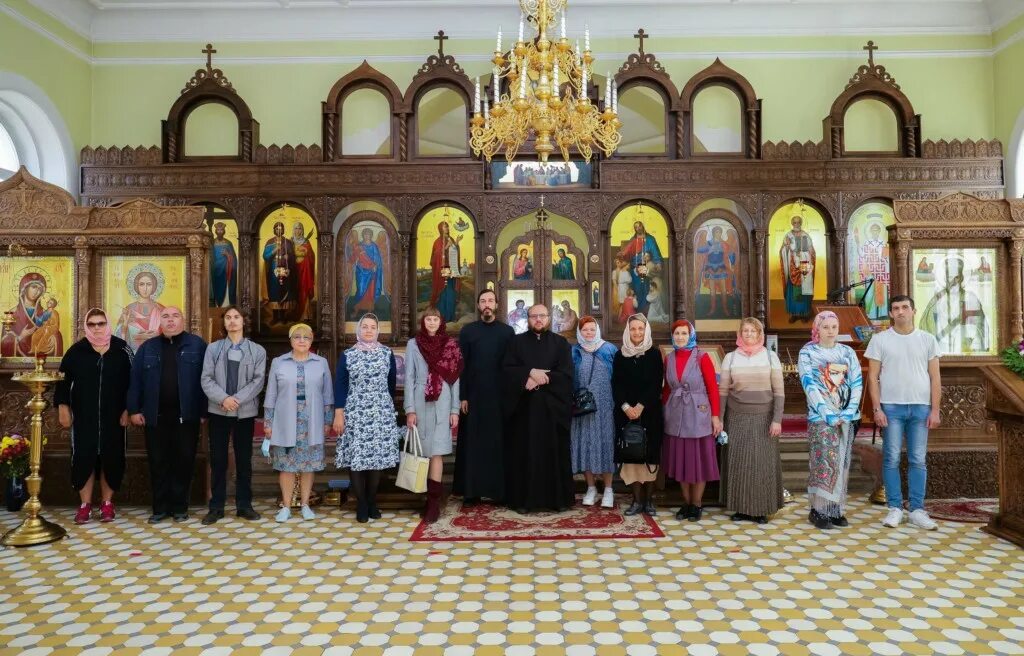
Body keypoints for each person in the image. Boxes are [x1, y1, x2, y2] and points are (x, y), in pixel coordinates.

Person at [865, 295, 942, 530]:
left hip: (920, 406)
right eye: (896, 308)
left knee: (918, 459)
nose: (900, 312)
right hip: (891, 407)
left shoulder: (927, 340)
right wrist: (877, 408)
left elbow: (935, 376)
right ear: (890, 313)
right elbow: (872, 377)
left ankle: (917, 509)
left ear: (913, 311)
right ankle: (895, 508)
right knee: (891, 458)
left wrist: (935, 409)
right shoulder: (880, 340)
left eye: (905, 307)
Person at [127, 306, 207, 523]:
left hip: (187, 417)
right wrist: (134, 410)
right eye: (165, 316)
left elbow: (206, 380)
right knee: (158, 462)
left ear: (183, 320)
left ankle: (180, 507)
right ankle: (160, 508)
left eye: (175, 316)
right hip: (155, 417)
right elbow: (135, 381)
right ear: (159, 322)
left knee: (184, 461)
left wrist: (203, 411)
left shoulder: (197, 345)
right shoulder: (148, 348)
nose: (170, 320)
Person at [55, 308, 133, 524]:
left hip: (114, 416)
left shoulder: (122, 349)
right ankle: (85, 505)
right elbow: (63, 381)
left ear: (107, 323)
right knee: (84, 457)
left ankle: (107, 504)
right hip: (84, 416)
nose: (97, 328)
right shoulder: (76, 351)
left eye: (100, 323)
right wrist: (63, 407)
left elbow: (132, 382)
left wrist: (129, 408)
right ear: (86, 326)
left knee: (111, 457)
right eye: (92, 324)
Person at [501, 304, 575, 513]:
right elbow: (507, 370)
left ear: (549, 318)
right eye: (534, 316)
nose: (538, 320)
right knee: (525, 454)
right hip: (525, 411)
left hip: (552, 412)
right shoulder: (516, 343)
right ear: (528, 318)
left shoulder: (561, 344)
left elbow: (567, 374)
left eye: (542, 316)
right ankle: (523, 501)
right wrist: (528, 374)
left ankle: (558, 500)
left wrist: (544, 379)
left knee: (554, 454)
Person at [200, 306, 267, 524]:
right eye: (228, 317)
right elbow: (206, 379)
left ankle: (244, 505)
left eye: (236, 317)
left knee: (243, 460)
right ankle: (216, 506)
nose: (232, 321)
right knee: (218, 459)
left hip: (244, 413)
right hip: (218, 411)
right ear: (224, 322)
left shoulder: (257, 350)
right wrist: (223, 399)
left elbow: (258, 381)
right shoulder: (213, 349)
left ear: (243, 322)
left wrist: (236, 399)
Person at [334, 314, 402, 523]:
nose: (369, 330)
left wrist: (384, 406)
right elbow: (341, 385)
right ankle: (361, 503)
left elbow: (391, 384)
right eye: (365, 327)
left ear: (378, 330)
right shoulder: (348, 355)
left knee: (376, 459)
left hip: (381, 411)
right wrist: (339, 413)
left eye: (373, 327)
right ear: (359, 330)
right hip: (355, 412)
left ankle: (372, 501)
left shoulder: (386, 353)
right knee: (357, 459)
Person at [798, 311, 863, 530]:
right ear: (817, 328)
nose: (830, 331)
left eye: (834, 327)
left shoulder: (847, 352)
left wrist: (849, 411)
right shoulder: (808, 352)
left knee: (842, 463)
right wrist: (827, 413)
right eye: (825, 327)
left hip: (847, 417)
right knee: (823, 462)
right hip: (821, 417)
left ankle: (835, 509)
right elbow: (809, 385)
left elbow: (856, 383)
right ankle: (818, 510)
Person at [263, 323, 332, 522]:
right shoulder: (279, 362)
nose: (302, 340)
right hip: (285, 418)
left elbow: (327, 395)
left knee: (308, 464)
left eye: (306, 337)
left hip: (311, 418)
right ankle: (286, 506)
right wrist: (268, 422)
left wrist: (327, 421)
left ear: (311, 340)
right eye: (297, 337)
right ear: (291, 340)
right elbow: (271, 394)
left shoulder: (321, 363)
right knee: (286, 464)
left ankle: (305, 504)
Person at [719, 317, 784, 524]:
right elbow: (722, 392)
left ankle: (761, 509)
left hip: (764, 418)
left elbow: (779, 392)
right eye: (745, 331)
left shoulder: (770, 357)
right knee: (739, 464)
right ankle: (741, 509)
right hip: (736, 416)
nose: (748, 334)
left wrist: (777, 420)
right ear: (740, 334)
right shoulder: (730, 357)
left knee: (761, 465)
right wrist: (719, 419)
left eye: (752, 331)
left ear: (759, 334)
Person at [453, 289, 515, 505]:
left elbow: (511, 367)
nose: (487, 304)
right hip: (474, 397)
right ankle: (472, 491)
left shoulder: (507, 332)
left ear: (497, 304)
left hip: (499, 397)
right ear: (478, 306)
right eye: (483, 301)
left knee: (499, 443)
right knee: (473, 444)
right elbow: (463, 366)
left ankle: (500, 491)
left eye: (490, 300)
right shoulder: (468, 332)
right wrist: (462, 396)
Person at [405, 308, 463, 523]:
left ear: (441, 322)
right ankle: (422, 497)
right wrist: (410, 409)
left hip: (443, 400)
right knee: (422, 452)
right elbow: (409, 377)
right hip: (420, 400)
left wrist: (454, 410)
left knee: (437, 453)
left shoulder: (450, 345)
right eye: (428, 319)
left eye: (435, 319)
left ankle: (433, 502)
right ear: (423, 322)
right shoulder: (413, 344)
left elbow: (455, 378)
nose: (431, 322)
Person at [662, 320, 721, 522]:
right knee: (681, 461)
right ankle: (686, 503)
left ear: (691, 335)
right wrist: (662, 411)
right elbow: (667, 389)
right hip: (676, 414)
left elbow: (713, 387)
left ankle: (696, 504)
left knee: (698, 461)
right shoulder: (668, 358)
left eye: (684, 333)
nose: (680, 337)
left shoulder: (702, 357)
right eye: (677, 333)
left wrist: (715, 417)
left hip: (698, 414)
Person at [613, 313, 665, 516]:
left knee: (650, 456)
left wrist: (641, 406)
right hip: (625, 414)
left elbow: (655, 383)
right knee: (630, 456)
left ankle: (649, 501)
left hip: (649, 413)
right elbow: (616, 384)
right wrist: (626, 407)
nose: (636, 332)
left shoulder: (653, 355)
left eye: (640, 329)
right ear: (628, 331)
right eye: (633, 329)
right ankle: (636, 500)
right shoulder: (620, 355)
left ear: (646, 330)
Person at [571, 316, 618, 508]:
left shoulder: (609, 349)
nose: (589, 333)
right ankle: (591, 488)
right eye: (585, 330)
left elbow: (618, 377)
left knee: (605, 445)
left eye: (592, 329)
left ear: (597, 330)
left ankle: (608, 489)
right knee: (585, 445)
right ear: (579, 332)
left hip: (606, 407)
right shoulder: (574, 351)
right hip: (582, 408)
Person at [919, 257, 989, 354]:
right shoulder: (938, 298)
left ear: (961, 278)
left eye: (956, 277)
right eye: (949, 278)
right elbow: (926, 323)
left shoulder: (970, 297)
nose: (953, 281)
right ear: (945, 278)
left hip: (964, 345)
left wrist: (975, 342)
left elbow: (981, 325)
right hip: (941, 345)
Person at [1, 272, 65, 358]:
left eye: (40, 289)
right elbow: (4, 344)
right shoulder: (11, 315)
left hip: (41, 359)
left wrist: (53, 339)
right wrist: (20, 337)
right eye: (34, 287)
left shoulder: (45, 313)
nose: (37, 291)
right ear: (24, 288)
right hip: (17, 365)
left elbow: (54, 330)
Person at [616, 221, 663, 315]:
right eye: (636, 227)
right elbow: (627, 252)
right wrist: (623, 255)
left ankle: (644, 310)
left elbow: (655, 252)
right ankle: (636, 310)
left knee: (645, 287)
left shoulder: (650, 239)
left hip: (645, 265)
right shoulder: (633, 240)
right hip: (634, 266)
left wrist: (657, 263)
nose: (638, 228)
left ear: (642, 226)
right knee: (636, 288)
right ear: (635, 229)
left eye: (639, 226)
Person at [114, 270, 164, 352]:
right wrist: (125, 324)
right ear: (136, 286)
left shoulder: (161, 309)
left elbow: (169, 334)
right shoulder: (128, 309)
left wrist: (156, 336)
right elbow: (119, 336)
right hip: (135, 353)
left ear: (154, 286)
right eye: (141, 284)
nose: (145, 288)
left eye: (149, 284)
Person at [779, 215, 816, 322]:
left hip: (804, 264)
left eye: (798, 222)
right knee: (794, 291)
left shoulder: (806, 235)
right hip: (792, 267)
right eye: (794, 223)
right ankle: (794, 314)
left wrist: (805, 253)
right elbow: (782, 251)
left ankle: (804, 313)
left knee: (804, 289)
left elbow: (812, 252)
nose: (796, 224)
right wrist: (787, 248)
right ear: (792, 223)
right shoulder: (788, 235)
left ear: (801, 223)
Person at [346, 226, 388, 320]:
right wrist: (354, 260)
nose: (367, 235)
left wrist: (375, 266)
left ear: (371, 235)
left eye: (368, 234)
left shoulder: (374, 246)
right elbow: (353, 257)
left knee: (370, 290)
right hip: (361, 271)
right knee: (361, 289)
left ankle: (370, 309)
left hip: (371, 271)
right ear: (363, 235)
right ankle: (358, 308)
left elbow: (377, 259)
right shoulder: (359, 246)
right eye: (365, 234)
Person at [262, 220, 296, 325]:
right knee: (275, 292)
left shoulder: (288, 242)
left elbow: (293, 257)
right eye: (277, 228)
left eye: (281, 228)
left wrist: (288, 257)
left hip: (285, 270)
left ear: (283, 230)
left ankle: (283, 316)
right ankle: (275, 317)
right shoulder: (270, 242)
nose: (279, 230)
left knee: (284, 291)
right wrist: (274, 250)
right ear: (274, 230)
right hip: (273, 271)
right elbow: (265, 256)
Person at [429, 221, 463, 322]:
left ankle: (450, 317)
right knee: (443, 295)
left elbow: (454, 253)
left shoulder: (450, 239)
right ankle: (442, 318)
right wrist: (446, 247)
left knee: (451, 294)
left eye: (447, 227)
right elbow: (434, 258)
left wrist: (456, 243)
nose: (447, 228)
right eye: (445, 227)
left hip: (451, 271)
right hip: (441, 272)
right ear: (440, 229)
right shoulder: (437, 242)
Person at [291, 222, 316, 322]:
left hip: (305, 269)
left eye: (300, 228)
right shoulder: (290, 241)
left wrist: (306, 251)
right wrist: (296, 251)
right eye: (296, 228)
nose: (298, 231)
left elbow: (311, 255)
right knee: (295, 289)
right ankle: (295, 313)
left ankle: (305, 315)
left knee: (304, 288)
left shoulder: (306, 241)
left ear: (302, 230)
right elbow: (288, 253)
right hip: (294, 269)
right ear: (294, 230)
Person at [210, 221, 238, 308]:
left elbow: (234, 260)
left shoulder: (228, 243)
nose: (219, 231)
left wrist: (228, 255)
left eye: (221, 229)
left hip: (226, 272)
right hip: (214, 271)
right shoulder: (212, 243)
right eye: (218, 229)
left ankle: (226, 306)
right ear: (215, 231)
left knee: (226, 291)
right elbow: (209, 257)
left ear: (224, 231)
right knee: (214, 289)